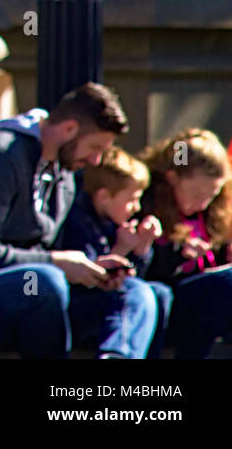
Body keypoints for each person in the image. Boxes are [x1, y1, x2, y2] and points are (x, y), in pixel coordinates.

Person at [0, 83, 133, 358]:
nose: (96, 159)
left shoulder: (64, 172)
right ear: (68, 129)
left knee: (136, 293)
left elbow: (45, 253)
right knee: (45, 280)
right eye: (94, 147)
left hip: (32, 297)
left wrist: (90, 269)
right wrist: (55, 262)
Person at [55, 146, 171, 358]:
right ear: (104, 197)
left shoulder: (113, 223)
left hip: (108, 306)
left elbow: (134, 279)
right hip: (74, 310)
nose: (136, 208)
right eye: (131, 199)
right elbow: (87, 276)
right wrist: (121, 250)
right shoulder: (78, 222)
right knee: (135, 291)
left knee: (160, 293)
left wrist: (141, 249)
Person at [140, 128, 232, 359]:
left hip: (207, 303)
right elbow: (146, 271)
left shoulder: (211, 213)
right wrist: (179, 255)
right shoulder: (147, 205)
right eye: (196, 193)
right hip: (166, 301)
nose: (202, 203)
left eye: (211, 195)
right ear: (172, 177)